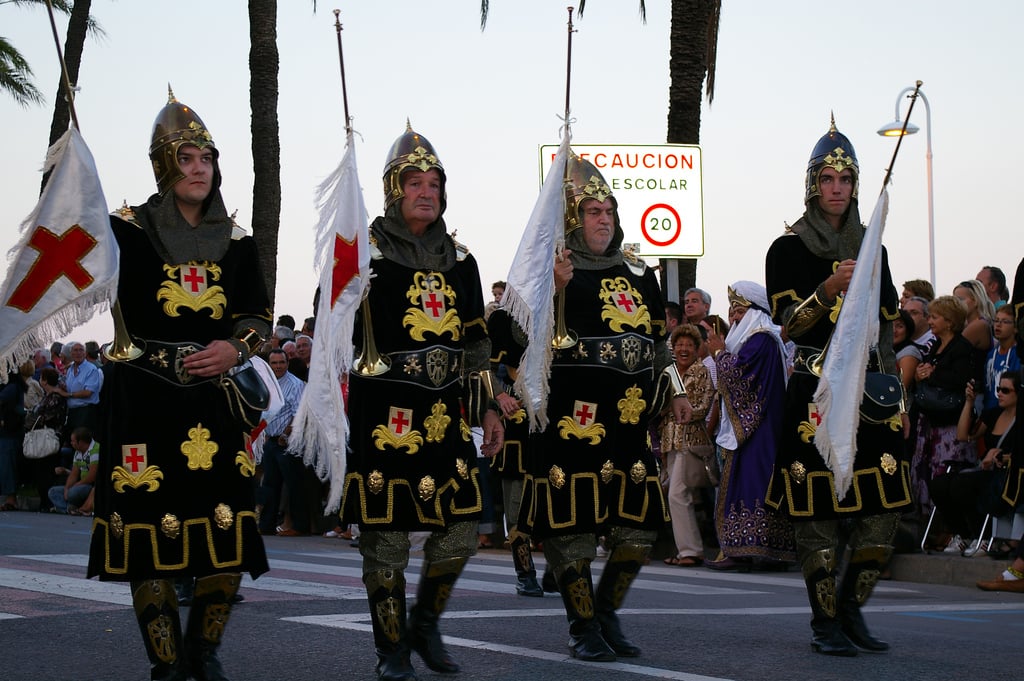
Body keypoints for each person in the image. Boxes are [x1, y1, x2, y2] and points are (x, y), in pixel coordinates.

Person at [85, 91, 272, 681]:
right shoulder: (124, 230)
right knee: (148, 540)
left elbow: (256, 316)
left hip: (213, 403)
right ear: (165, 166)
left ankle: (203, 652)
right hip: (142, 402)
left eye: (206, 159)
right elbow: (78, 267)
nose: (198, 169)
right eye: (186, 159)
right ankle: (166, 664)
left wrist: (236, 348)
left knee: (229, 530)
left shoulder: (237, 240)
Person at [338, 124, 503, 681]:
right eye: (415, 183)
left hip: (444, 416)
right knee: (386, 537)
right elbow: (332, 324)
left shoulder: (462, 260)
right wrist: (346, 289)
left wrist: (488, 407)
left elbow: (476, 345)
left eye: (434, 183)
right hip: (384, 415)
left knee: (460, 528)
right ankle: (392, 651)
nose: (426, 192)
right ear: (394, 189)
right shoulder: (364, 251)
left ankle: (425, 624)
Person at [516, 152, 682, 662]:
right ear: (573, 218)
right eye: (592, 212)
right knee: (573, 529)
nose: (603, 219)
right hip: (574, 421)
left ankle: (606, 612)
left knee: (639, 527)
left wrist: (675, 389)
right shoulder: (551, 270)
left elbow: (659, 342)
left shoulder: (638, 270)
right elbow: (520, 335)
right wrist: (552, 290)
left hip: (628, 421)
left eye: (608, 210)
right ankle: (583, 626)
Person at [764, 118, 912, 656]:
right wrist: (826, 289)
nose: (836, 188)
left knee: (883, 511)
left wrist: (899, 398)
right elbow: (788, 326)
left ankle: (851, 609)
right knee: (819, 514)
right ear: (813, 185)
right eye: (827, 179)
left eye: (845, 179)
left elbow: (887, 332)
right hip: (816, 392)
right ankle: (825, 622)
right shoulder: (787, 249)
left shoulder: (875, 249)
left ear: (855, 185)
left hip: (871, 397)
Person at [705, 282, 795, 570]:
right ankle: (755, 550)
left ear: (756, 312)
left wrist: (718, 353)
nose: (734, 317)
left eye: (740, 311)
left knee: (753, 484)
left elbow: (740, 379)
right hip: (757, 426)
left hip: (758, 429)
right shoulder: (759, 340)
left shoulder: (761, 340)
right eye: (732, 311)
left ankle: (750, 550)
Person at [486, 307, 544, 596]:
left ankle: (561, 570)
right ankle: (525, 571)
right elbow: (484, 367)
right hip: (516, 427)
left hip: (551, 423)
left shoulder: (560, 312)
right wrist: (499, 396)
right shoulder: (502, 319)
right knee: (517, 507)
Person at [930, 371, 1019, 555]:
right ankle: (963, 534)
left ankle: (983, 536)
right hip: (985, 469)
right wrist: (969, 402)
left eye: (1005, 390)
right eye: (998, 389)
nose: (999, 393)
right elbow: (963, 435)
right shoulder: (994, 414)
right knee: (939, 484)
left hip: (1007, 474)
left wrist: (1001, 456)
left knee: (963, 485)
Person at [912, 295, 977, 526]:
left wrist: (932, 375)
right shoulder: (935, 346)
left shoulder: (962, 348)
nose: (930, 321)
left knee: (943, 476)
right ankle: (931, 525)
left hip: (950, 426)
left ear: (949, 321)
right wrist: (920, 374)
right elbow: (928, 373)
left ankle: (946, 527)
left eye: (935, 317)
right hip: (930, 421)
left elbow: (960, 379)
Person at [660, 324, 714, 567]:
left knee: (677, 494)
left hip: (690, 442)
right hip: (669, 441)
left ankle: (690, 551)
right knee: (676, 495)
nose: (683, 349)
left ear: (697, 348)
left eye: (689, 345)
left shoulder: (701, 371)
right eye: (679, 345)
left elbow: (702, 406)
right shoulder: (668, 372)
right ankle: (685, 550)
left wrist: (675, 409)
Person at [257, 348, 307, 536]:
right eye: (274, 363)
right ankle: (266, 524)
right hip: (270, 440)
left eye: (281, 362)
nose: (278, 366)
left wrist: (286, 434)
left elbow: (298, 413)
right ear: (269, 364)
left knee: (294, 484)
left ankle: (299, 525)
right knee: (270, 484)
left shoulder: (295, 384)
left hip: (287, 441)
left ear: (287, 363)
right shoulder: (266, 382)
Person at [25, 367, 67, 512]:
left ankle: (47, 502)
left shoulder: (55, 397)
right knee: (40, 469)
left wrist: (32, 418)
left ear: (44, 381)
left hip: (49, 436)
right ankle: (44, 500)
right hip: (43, 436)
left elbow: (47, 417)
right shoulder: (48, 395)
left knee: (46, 469)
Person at [48, 426, 99, 514]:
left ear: (81, 442)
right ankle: (70, 509)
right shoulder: (78, 452)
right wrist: (66, 489)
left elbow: (92, 476)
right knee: (53, 492)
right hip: (80, 486)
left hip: (90, 486)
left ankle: (68, 507)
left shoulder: (95, 450)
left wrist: (76, 485)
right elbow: (74, 474)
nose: (71, 443)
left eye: (73, 441)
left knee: (72, 493)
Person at [59, 341, 102, 434]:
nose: (78, 353)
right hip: (72, 412)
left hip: (86, 412)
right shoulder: (70, 370)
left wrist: (68, 394)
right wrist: (63, 388)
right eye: (75, 350)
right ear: (71, 353)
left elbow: (88, 392)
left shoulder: (91, 369)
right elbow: (71, 389)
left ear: (85, 353)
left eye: (81, 350)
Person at [982, 306, 1019, 410]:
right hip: (988, 412)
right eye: (996, 320)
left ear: (1015, 328)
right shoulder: (991, 355)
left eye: (1005, 321)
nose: (998, 325)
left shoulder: (1017, 356)